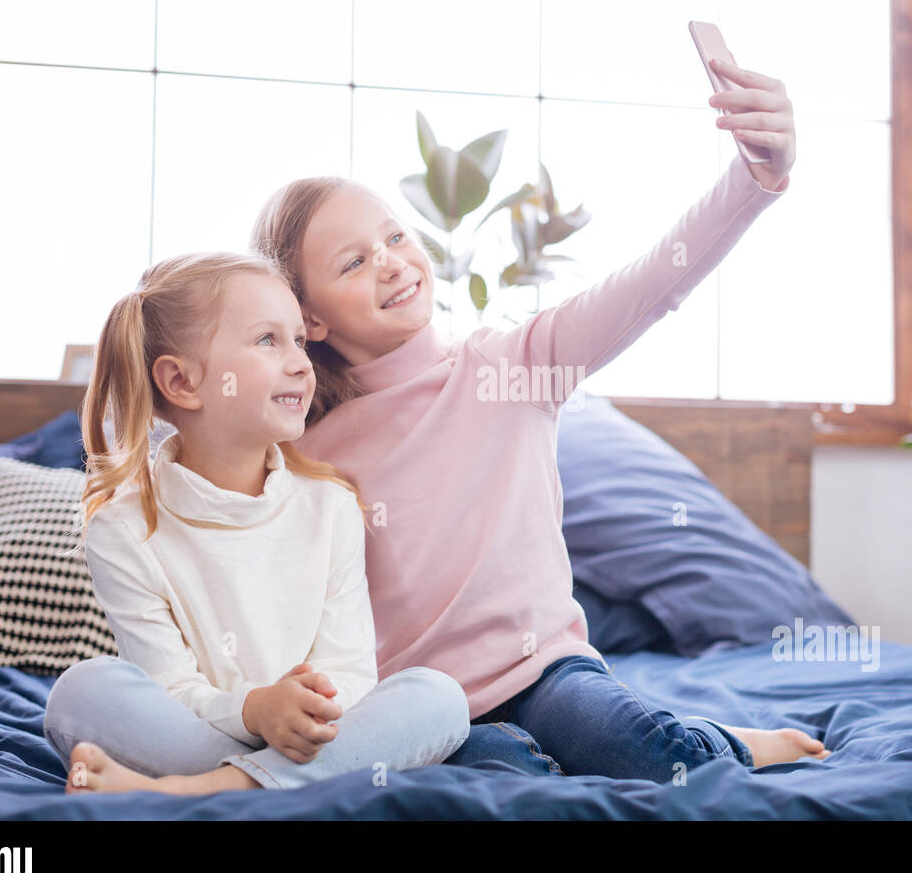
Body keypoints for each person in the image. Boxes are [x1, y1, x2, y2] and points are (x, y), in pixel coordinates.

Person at [247, 58, 831, 783]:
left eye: (396, 238)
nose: (392, 263)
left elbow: (654, 284)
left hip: (545, 675)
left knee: (643, 754)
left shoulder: (514, 366)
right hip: (414, 705)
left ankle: (721, 742)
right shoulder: (300, 447)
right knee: (491, 775)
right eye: (354, 262)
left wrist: (755, 176)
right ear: (309, 317)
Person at [42, 252, 471, 795]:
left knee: (438, 696)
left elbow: (351, 672)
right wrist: (255, 710)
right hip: (205, 735)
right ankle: (274, 787)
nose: (300, 362)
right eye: (268, 340)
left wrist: (302, 711)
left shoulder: (330, 506)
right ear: (181, 381)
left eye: (299, 340)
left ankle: (213, 791)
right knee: (82, 690)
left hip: (315, 740)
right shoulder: (125, 530)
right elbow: (170, 690)